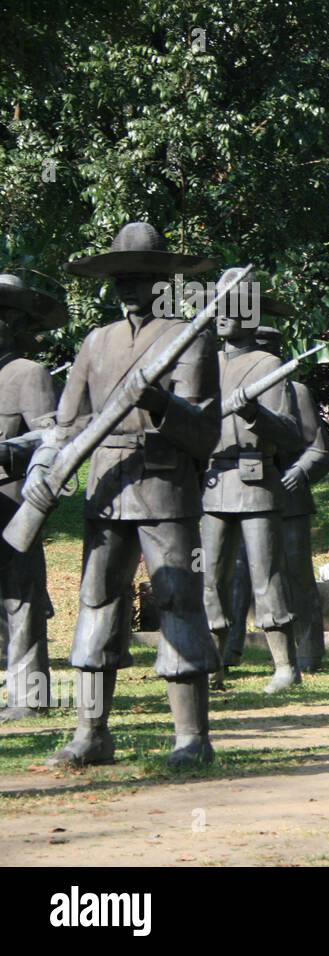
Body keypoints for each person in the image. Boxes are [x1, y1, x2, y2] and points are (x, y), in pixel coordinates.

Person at [23, 221, 221, 768]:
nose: (130, 287)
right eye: (121, 278)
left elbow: (205, 430)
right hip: (107, 484)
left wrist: (160, 404)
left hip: (164, 485)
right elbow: (66, 424)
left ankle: (191, 737)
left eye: (142, 277)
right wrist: (47, 465)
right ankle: (91, 732)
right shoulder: (96, 342)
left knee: (178, 599)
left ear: (165, 282)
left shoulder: (192, 336)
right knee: (97, 602)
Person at [200, 272, 306, 693]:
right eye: (219, 308)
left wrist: (253, 415)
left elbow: (291, 434)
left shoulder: (269, 366)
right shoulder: (205, 364)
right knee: (209, 575)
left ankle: (284, 664)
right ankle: (213, 664)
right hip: (211, 481)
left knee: (266, 574)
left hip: (255, 480)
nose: (224, 317)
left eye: (234, 308)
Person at [223, 324, 329, 672]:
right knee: (237, 576)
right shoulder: (233, 389)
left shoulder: (296, 391)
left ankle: (309, 650)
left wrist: (300, 473)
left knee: (297, 577)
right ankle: (229, 649)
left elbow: (319, 450)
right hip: (245, 495)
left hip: (288, 502)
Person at [0, 274, 62, 721]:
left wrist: (11, 448)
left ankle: (30, 697)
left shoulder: (28, 373)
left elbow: (53, 435)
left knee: (20, 599)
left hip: (11, 500)